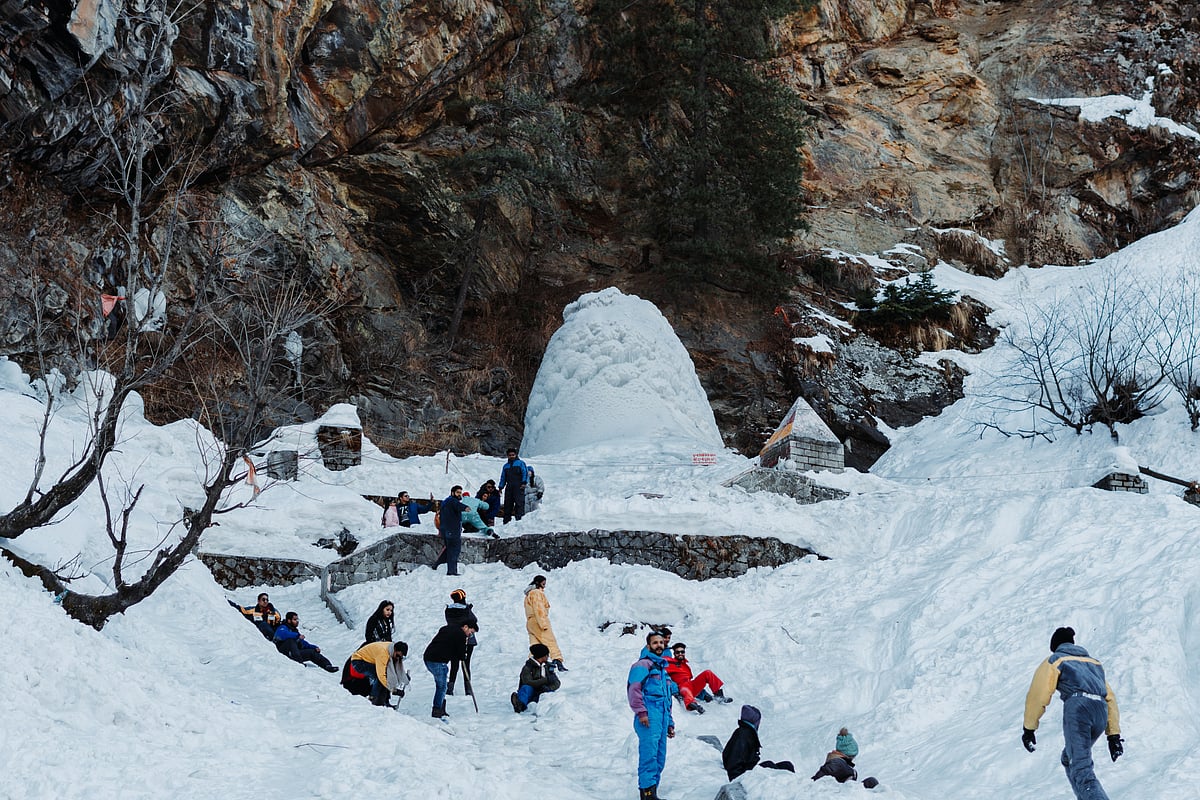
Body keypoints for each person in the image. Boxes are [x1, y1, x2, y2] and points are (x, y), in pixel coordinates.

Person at [1022, 626, 1123, 800]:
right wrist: (1113, 735)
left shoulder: (1056, 659)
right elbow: (1110, 698)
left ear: (1056, 645)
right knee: (1069, 758)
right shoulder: (1093, 663)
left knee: (1081, 769)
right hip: (1100, 711)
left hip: (1079, 709)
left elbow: (1039, 694)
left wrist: (1029, 728)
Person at [628, 631, 675, 800]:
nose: (659, 646)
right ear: (648, 646)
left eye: (661, 643)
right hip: (649, 716)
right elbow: (634, 690)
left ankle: (653, 793)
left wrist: (670, 723)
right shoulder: (641, 665)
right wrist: (641, 712)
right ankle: (647, 795)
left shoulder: (662, 670)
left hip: (661, 717)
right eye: (655, 643)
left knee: (659, 757)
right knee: (649, 756)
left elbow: (667, 699)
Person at [722, 705, 795, 781]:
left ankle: (791, 787)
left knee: (786, 765)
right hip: (742, 776)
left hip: (747, 771)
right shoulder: (743, 735)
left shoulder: (746, 732)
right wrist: (739, 780)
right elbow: (733, 763)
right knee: (770, 765)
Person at [424, 619, 476, 719]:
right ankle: (437, 709)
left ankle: (440, 708)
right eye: (471, 632)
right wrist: (463, 652)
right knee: (442, 686)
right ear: (465, 627)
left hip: (428, 658)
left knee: (441, 685)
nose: (470, 635)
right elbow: (461, 655)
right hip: (438, 661)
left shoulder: (447, 628)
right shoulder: (461, 635)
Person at [666, 642, 731, 713]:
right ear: (674, 653)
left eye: (682, 652)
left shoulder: (685, 665)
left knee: (707, 673)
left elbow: (690, 678)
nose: (680, 654)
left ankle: (719, 696)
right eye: (677, 652)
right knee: (685, 688)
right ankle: (693, 705)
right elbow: (660, 661)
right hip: (682, 687)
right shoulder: (670, 663)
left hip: (691, 685)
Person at [344, 640, 410, 706]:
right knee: (378, 678)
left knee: (385, 677)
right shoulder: (383, 654)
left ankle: (385, 702)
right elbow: (381, 676)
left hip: (369, 660)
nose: (398, 658)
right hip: (358, 661)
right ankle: (373, 700)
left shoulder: (391, 649)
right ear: (395, 649)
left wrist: (404, 677)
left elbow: (394, 670)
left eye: (400, 657)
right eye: (398, 655)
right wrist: (393, 690)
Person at [524, 575, 567, 671]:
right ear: (538, 583)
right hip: (538, 620)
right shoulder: (536, 593)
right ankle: (557, 660)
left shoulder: (529, 594)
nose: (544, 586)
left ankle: (532, 663)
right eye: (543, 584)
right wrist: (543, 624)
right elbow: (539, 609)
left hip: (530, 622)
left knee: (535, 644)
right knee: (550, 641)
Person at [272, 612, 338, 672]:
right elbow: (283, 634)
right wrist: (297, 635)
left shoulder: (294, 631)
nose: (297, 621)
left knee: (311, 652)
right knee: (290, 641)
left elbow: (303, 643)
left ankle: (327, 666)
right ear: (289, 620)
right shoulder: (282, 627)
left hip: (295, 654)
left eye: (297, 620)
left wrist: (314, 648)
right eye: (295, 620)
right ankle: (300, 663)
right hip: (283, 652)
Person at [445, 588, 479, 696]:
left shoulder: (448, 610)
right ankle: (468, 689)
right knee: (466, 663)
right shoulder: (466, 609)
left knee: (454, 664)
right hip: (467, 640)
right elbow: (473, 620)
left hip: (452, 639)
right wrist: (469, 609)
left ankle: (450, 687)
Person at [511, 643, 561, 713]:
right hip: (532, 691)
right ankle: (520, 705)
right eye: (547, 655)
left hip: (544, 691)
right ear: (541, 656)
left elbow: (557, 683)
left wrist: (549, 688)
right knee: (526, 688)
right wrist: (545, 680)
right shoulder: (528, 667)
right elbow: (527, 682)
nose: (548, 657)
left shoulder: (549, 666)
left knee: (550, 695)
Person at [432, 485, 470, 576]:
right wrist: (465, 508)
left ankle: (436, 565)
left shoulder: (445, 501)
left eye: (460, 493)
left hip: (445, 529)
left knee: (448, 549)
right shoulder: (453, 501)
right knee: (454, 551)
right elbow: (458, 505)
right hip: (452, 530)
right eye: (457, 492)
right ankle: (452, 571)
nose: (459, 494)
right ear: (452, 492)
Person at [497, 447, 529, 523]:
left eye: (513, 455)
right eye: (510, 455)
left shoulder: (521, 463)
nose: (511, 456)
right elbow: (503, 477)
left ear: (516, 455)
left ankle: (520, 521)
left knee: (519, 504)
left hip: (519, 486)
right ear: (507, 456)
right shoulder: (506, 466)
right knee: (508, 504)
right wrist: (501, 487)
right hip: (509, 486)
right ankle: (506, 522)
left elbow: (525, 473)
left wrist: (524, 483)